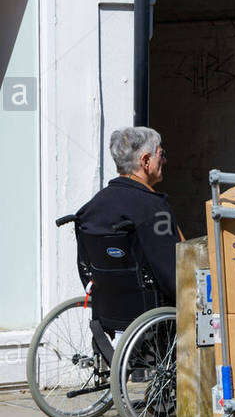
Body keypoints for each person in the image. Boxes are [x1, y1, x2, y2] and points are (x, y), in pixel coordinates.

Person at [75, 126, 181, 305]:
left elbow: (86, 268)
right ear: (146, 161)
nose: (165, 160)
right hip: (151, 311)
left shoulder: (92, 207)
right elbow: (174, 276)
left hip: (109, 309)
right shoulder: (154, 208)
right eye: (161, 155)